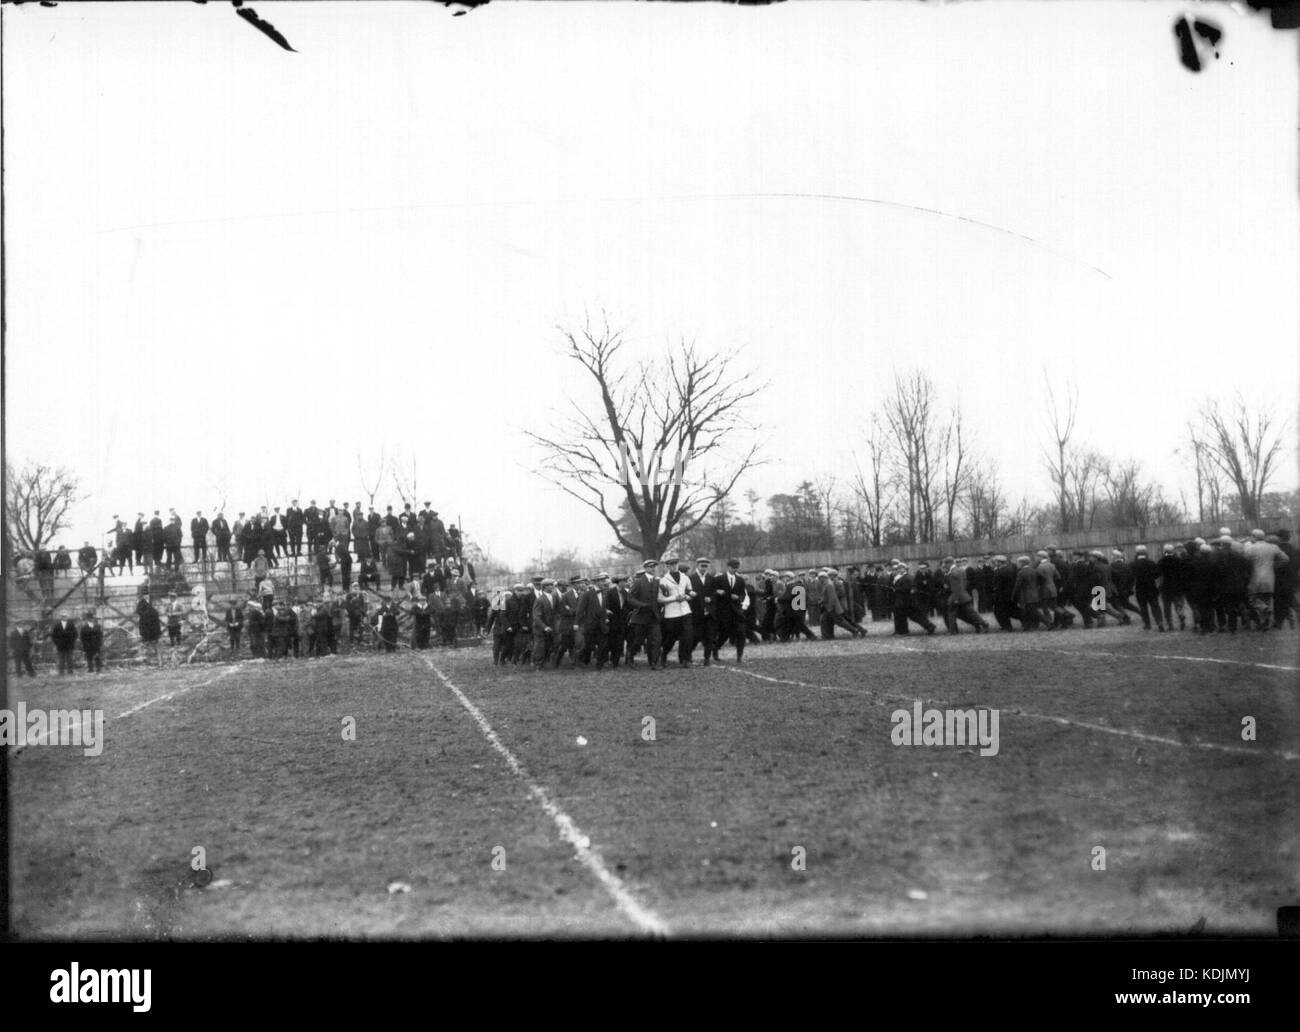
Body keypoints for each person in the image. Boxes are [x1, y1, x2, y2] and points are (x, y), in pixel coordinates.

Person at [1243, 529, 1288, 630]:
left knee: (1252, 599)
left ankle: (1264, 610)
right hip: (1270, 578)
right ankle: (1265, 623)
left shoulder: (1250, 548)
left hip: (1255, 578)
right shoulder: (1273, 547)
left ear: (1254, 536)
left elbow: (1244, 560)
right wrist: (1274, 566)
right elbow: (1285, 559)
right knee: (1267, 600)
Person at [624, 560, 666, 668]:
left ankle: (654, 663)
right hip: (641, 617)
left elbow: (659, 598)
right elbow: (630, 598)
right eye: (650, 567)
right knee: (638, 641)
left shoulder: (657, 582)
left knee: (656, 640)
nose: (653, 569)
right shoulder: (638, 582)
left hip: (654, 617)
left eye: (654, 567)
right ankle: (630, 657)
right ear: (645, 568)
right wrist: (641, 605)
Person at [707, 558, 749, 663]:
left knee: (741, 633)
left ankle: (739, 656)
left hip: (737, 612)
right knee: (724, 634)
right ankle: (715, 649)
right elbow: (711, 590)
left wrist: (739, 598)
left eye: (737, 568)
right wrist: (717, 592)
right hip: (723, 612)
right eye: (733, 568)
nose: (735, 570)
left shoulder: (740, 580)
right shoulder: (719, 579)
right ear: (728, 567)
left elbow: (743, 594)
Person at [660, 558, 696, 667]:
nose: (673, 566)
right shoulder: (663, 580)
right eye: (670, 565)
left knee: (688, 636)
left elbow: (690, 591)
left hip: (685, 611)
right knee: (671, 638)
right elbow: (660, 599)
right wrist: (675, 598)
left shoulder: (685, 578)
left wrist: (688, 596)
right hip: (672, 613)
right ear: (667, 566)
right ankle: (664, 654)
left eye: (675, 564)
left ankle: (685, 660)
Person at [1131, 544, 1165, 631]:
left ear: (1137, 553)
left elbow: (1131, 576)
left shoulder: (1133, 564)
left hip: (1140, 588)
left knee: (1143, 607)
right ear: (1146, 552)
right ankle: (1159, 622)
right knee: (1155, 606)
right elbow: (1157, 574)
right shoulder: (1151, 562)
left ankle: (1147, 624)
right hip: (1151, 587)